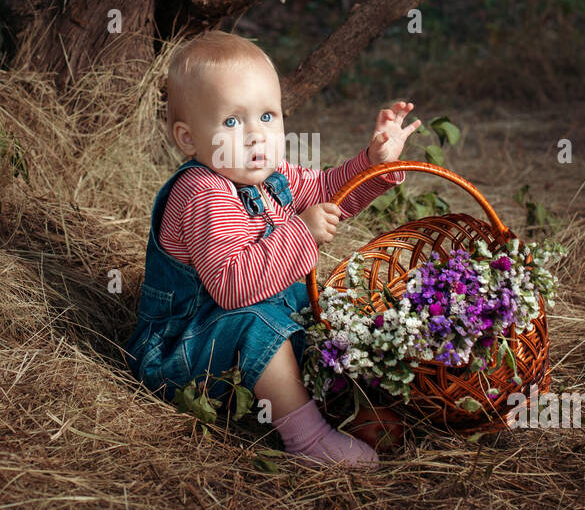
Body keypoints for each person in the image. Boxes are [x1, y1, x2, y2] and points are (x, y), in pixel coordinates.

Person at [123, 30, 422, 467]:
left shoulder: (270, 175)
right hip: (186, 350)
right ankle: (307, 437)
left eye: (267, 117)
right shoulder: (202, 193)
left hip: (243, 333)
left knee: (331, 306)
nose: (255, 136)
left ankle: (353, 399)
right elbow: (231, 287)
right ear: (188, 139)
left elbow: (326, 191)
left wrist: (375, 165)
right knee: (255, 323)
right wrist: (301, 233)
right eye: (231, 122)